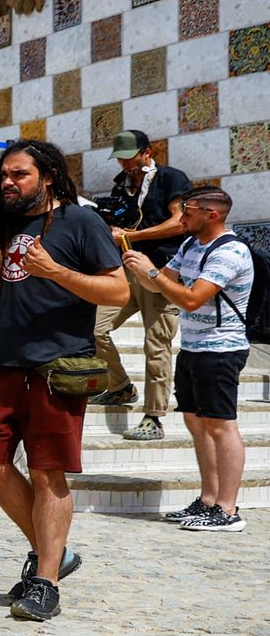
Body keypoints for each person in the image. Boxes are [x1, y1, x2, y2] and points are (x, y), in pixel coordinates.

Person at [0, 140, 129, 621]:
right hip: (4, 363)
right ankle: (54, 551)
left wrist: (55, 271)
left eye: (19, 175)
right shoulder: (5, 222)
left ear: (48, 176)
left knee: (46, 472)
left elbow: (117, 289)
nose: (8, 183)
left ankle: (46, 580)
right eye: (5, 176)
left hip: (58, 368)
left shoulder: (81, 222)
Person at [123, 186, 251, 531]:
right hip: (193, 347)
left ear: (212, 214)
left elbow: (192, 299)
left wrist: (151, 274)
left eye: (188, 211)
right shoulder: (191, 244)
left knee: (221, 425)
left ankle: (227, 509)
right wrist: (140, 268)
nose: (181, 219)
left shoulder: (231, 251)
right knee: (196, 422)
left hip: (221, 350)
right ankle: (208, 499)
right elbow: (161, 284)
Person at [93, 129, 191, 439]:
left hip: (161, 271)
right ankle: (120, 387)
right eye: (120, 159)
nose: (125, 164)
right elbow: (120, 218)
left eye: (130, 157)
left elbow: (179, 222)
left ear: (147, 152)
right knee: (92, 328)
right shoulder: (122, 185)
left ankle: (154, 417)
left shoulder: (171, 178)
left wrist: (132, 236)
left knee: (156, 344)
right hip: (127, 270)